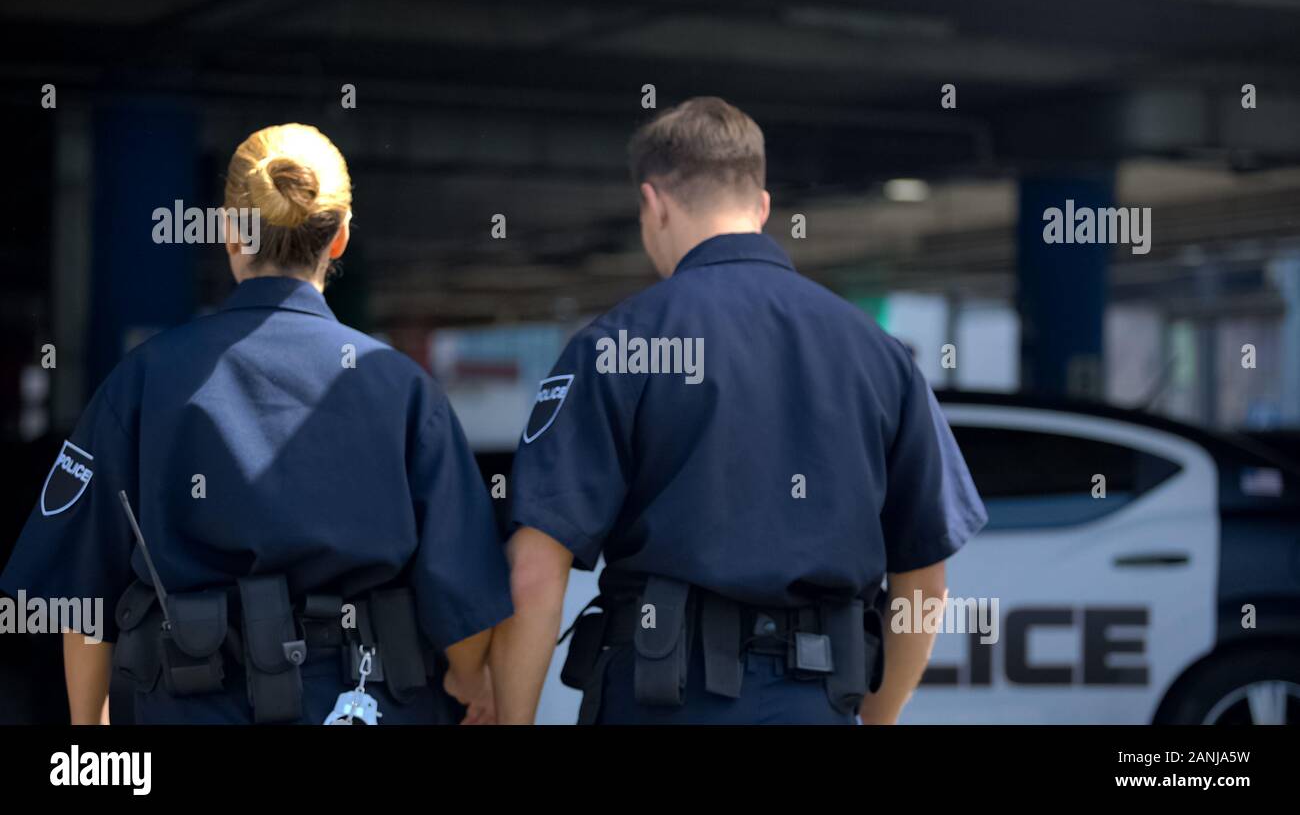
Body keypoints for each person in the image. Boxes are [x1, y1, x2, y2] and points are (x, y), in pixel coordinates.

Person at [489, 98, 987, 725]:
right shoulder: (878, 355)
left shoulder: (615, 347)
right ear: (762, 206)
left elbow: (536, 569)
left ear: (655, 204)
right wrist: (874, 717)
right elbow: (925, 581)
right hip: (818, 700)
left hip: (661, 702)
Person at [0, 123, 511, 724]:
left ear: (227, 230)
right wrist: (467, 677)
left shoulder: (142, 381)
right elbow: (469, 601)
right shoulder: (405, 390)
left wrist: (89, 732)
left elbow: (82, 593)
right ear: (341, 237)